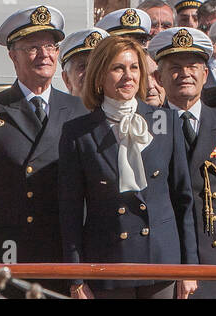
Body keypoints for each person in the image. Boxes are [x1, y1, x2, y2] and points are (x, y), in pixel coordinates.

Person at [0, 5, 87, 283]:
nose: (44, 55)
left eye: (50, 46)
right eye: (33, 47)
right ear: (13, 55)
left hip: (61, 247)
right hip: (8, 247)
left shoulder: (79, 109)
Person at [59, 33, 198, 299]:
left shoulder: (165, 121)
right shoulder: (78, 132)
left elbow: (184, 200)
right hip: (108, 262)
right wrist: (76, 277)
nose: (128, 76)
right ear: (100, 76)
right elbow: (71, 212)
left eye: (134, 67)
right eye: (118, 68)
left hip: (161, 261)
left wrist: (190, 268)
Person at [151, 26, 216, 299]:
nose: (185, 74)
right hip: (165, 260)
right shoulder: (145, 128)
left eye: (193, 66)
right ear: (159, 77)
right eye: (174, 67)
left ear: (206, 74)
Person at [58, 26, 108, 98]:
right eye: (83, 66)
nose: (91, 72)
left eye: (98, 65)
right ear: (67, 79)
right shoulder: (53, 109)